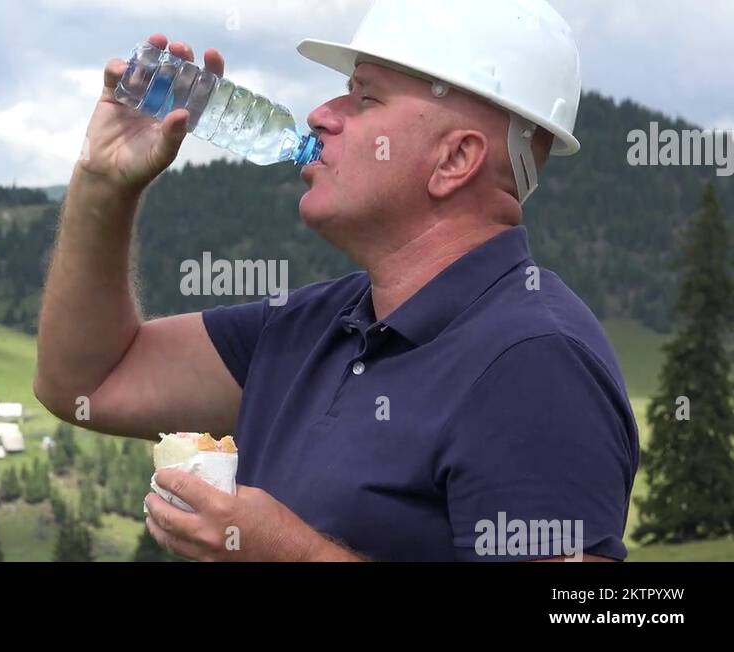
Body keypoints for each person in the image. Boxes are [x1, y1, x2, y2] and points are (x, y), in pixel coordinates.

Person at [35, 0, 639, 562]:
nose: (322, 115)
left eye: (366, 98)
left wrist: (299, 555)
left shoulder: (535, 363)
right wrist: (104, 183)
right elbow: (90, 381)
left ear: (455, 160)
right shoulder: (314, 324)